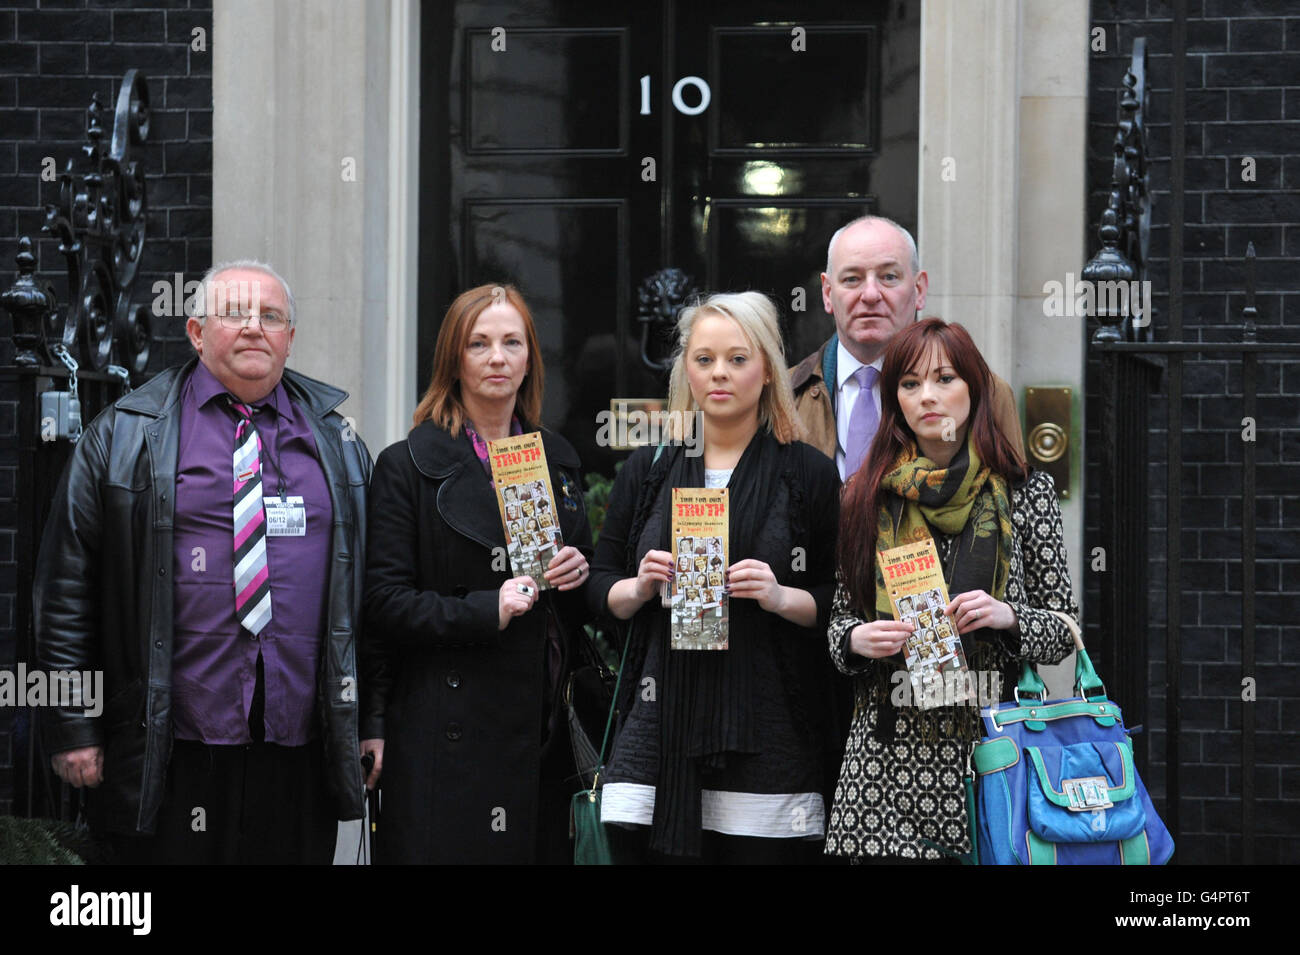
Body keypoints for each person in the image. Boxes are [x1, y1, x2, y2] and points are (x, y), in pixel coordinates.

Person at [33, 260, 372, 863]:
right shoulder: (124, 434)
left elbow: (369, 595)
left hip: (297, 741)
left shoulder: (338, 444)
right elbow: (66, 590)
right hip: (170, 741)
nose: (253, 328)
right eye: (234, 313)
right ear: (194, 332)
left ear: (289, 338)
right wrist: (72, 724)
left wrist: (368, 719)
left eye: (270, 316)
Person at [587, 291, 842, 863]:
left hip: (771, 745)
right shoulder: (649, 468)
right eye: (704, 360)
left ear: (768, 369)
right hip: (655, 745)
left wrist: (780, 596)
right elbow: (599, 585)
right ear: (686, 371)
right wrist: (638, 587)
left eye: (737, 358)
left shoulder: (808, 474)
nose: (719, 373)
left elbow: (843, 604)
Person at [825, 318, 1079, 863]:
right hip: (884, 760)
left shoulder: (1025, 490)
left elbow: (1065, 631)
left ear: (974, 389)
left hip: (989, 752)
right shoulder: (865, 495)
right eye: (910, 384)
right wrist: (858, 640)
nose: (928, 397)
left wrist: (1007, 616)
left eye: (945, 378)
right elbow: (839, 626)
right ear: (895, 400)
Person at [360, 283, 592, 864]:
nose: (497, 358)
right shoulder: (406, 465)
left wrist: (579, 572)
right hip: (442, 732)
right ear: (453, 359)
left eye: (512, 342)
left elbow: (577, 611)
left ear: (529, 358)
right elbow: (383, 603)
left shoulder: (556, 460)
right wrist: (484, 609)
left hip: (539, 737)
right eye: (479, 343)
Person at [791, 216, 1025, 480]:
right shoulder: (780, 396)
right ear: (827, 293)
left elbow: (1011, 506)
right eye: (852, 279)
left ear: (919, 289)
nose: (870, 295)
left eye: (889, 277)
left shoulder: (985, 394)